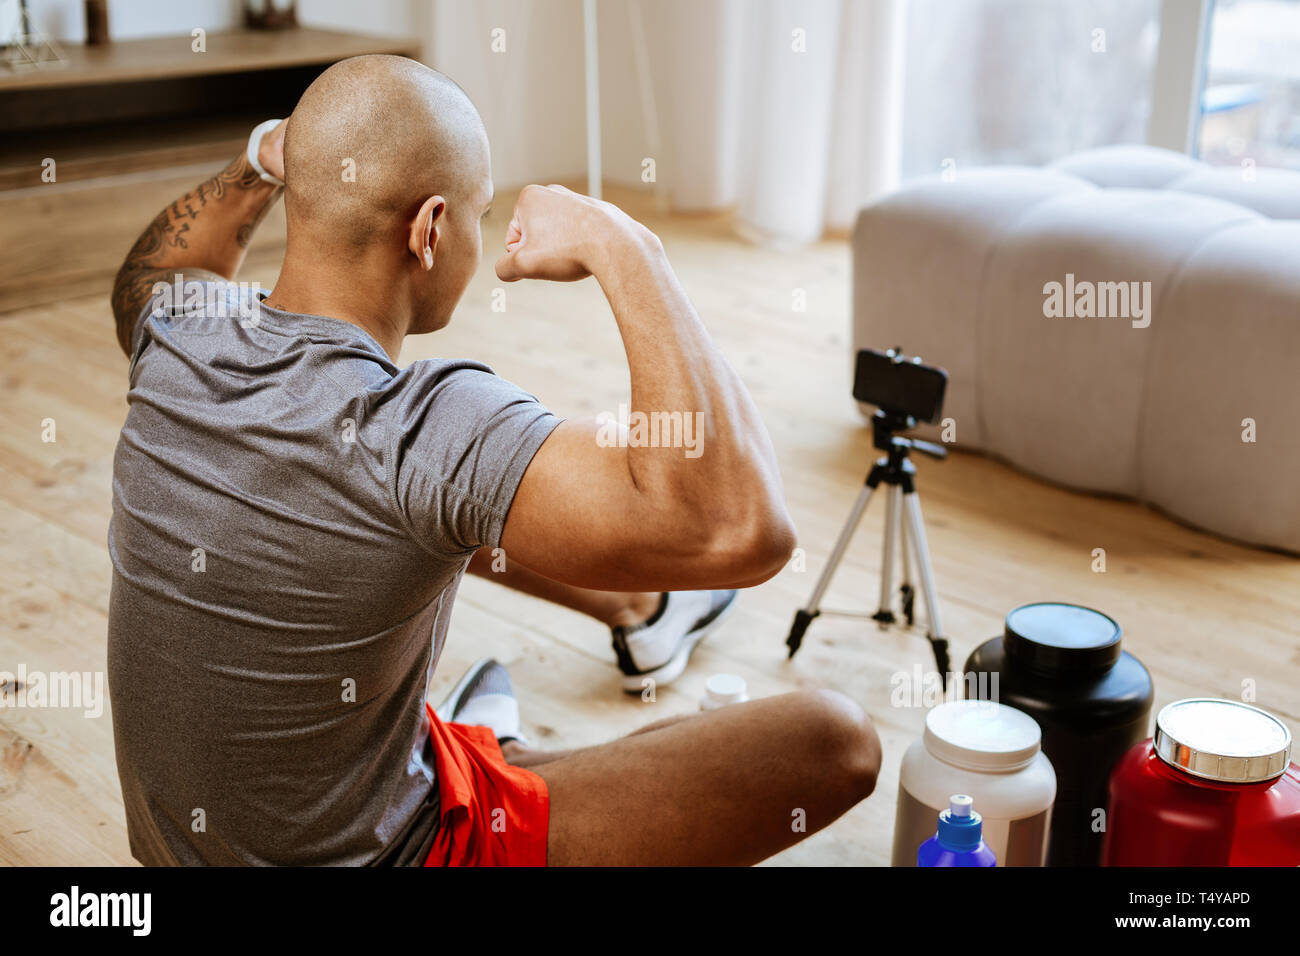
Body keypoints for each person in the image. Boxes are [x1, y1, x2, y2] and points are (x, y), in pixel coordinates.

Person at [107, 54, 881, 866]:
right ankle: (496, 753)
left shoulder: (179, 335)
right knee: (835, 739)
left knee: (430, 509)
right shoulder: (419, 427)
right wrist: (624, 244)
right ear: (430, 229)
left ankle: (508, 729)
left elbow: (149, 272)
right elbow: (740, 531)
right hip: (391, 855)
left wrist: (260, 157)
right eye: (479, 216)